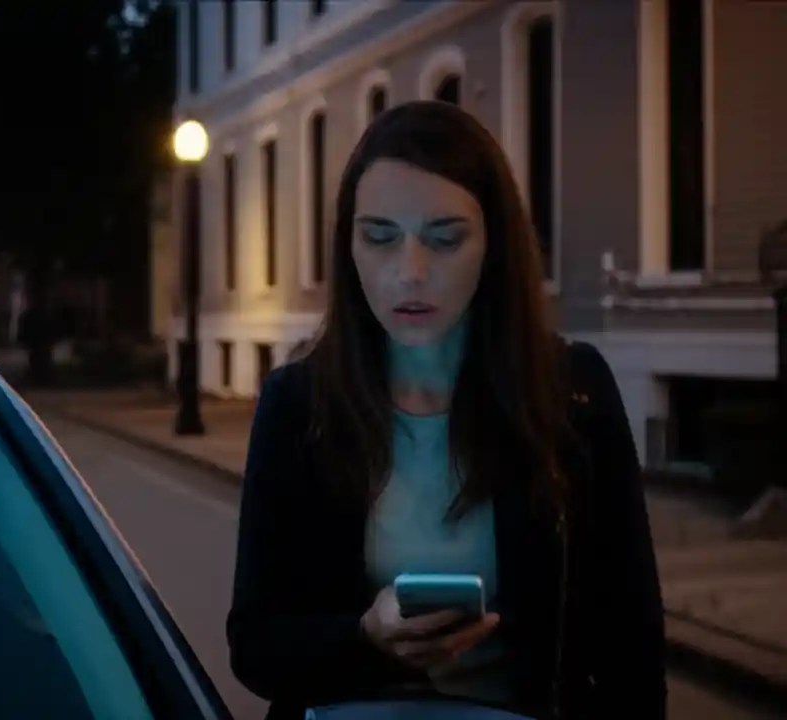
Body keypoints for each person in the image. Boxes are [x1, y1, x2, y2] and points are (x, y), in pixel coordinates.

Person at [226, 101, 665, 720]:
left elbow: (630, 643)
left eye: (445, 238)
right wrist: (365, 638)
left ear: (493, 247)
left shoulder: (571, 390)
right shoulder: (298, 405)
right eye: (379, 237)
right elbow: (255, 645)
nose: (410, 272)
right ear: (348, 249)